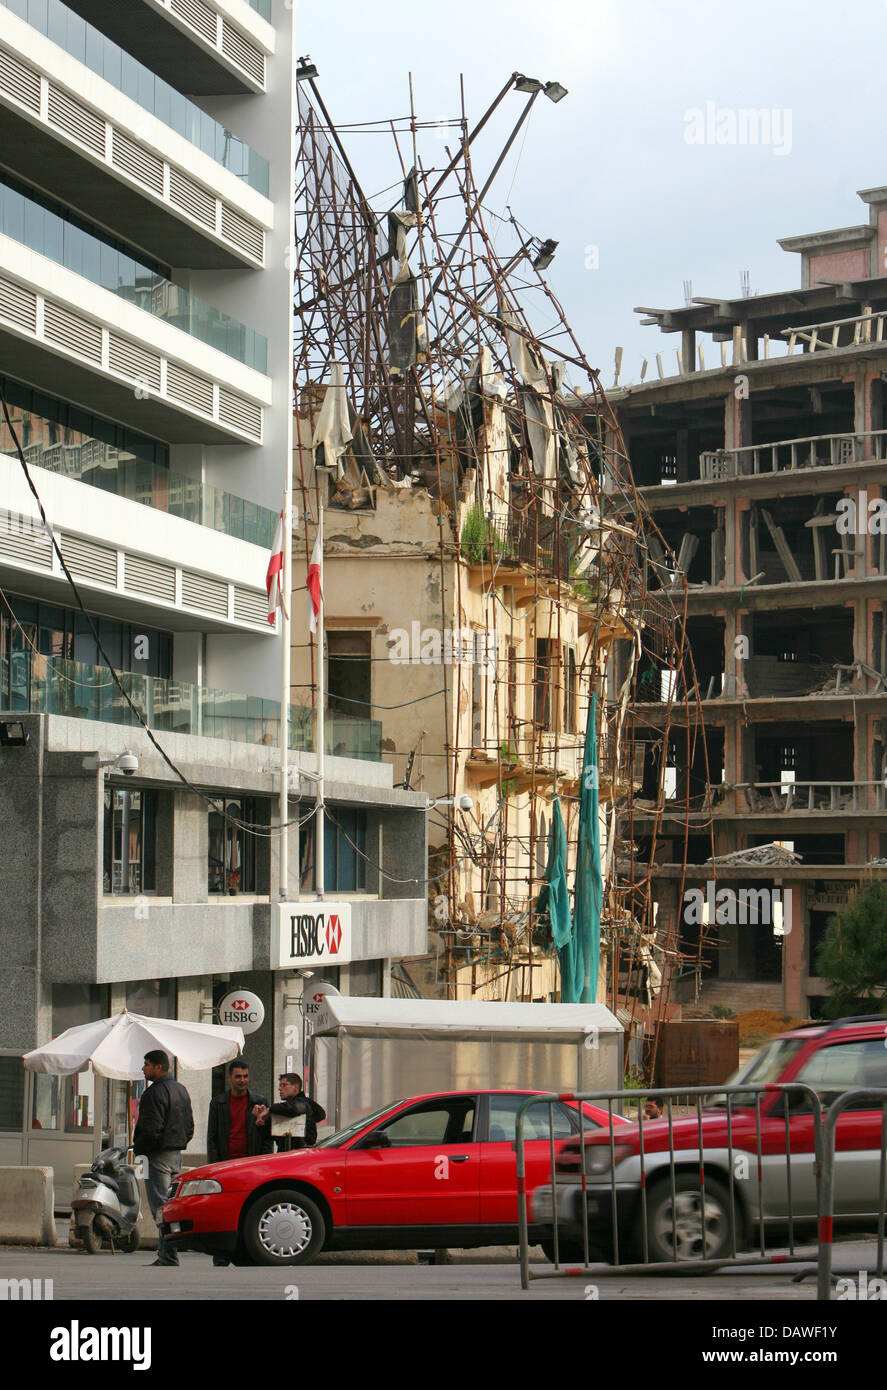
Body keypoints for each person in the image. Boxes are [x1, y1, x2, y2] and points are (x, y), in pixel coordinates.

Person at [206, 1059, 272, 1266]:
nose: (242, 1081)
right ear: (229, 1078)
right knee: (222, 1210)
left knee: (248, 1210)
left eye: (245, 1076)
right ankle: (222, 1253)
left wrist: (262, 1162)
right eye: (238, 1077)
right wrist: (214, 1166)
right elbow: (212, 1137)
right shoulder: (218, 1103)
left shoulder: (259, 1102)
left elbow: (267, 1137)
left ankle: (245, 1253)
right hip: (225, 1165)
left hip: (251, 1166)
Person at [132, 1050, 194, 1268]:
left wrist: (140, 1148)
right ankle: (170, 1252)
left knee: (161, 1208)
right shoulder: (181, 1090)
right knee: (171, 1206)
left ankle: (168, 1255)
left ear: (158, 1067)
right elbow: (190, 1127)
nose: (143, 1068)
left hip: (156, 1155)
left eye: (146, 1064)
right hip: (175, 1154)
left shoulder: (153, 1093)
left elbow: (151, 1129)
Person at [254, 1074, 326, 1152]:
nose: (280, 1089)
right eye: (280, 1085)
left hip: (301, 1155)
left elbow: (296, 1108)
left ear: (295, 1086)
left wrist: (269, 1110)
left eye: (284, 1085)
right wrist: (262, 1121)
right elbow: (270, 1135)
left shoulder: (305, 1103)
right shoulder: (284, 1109)